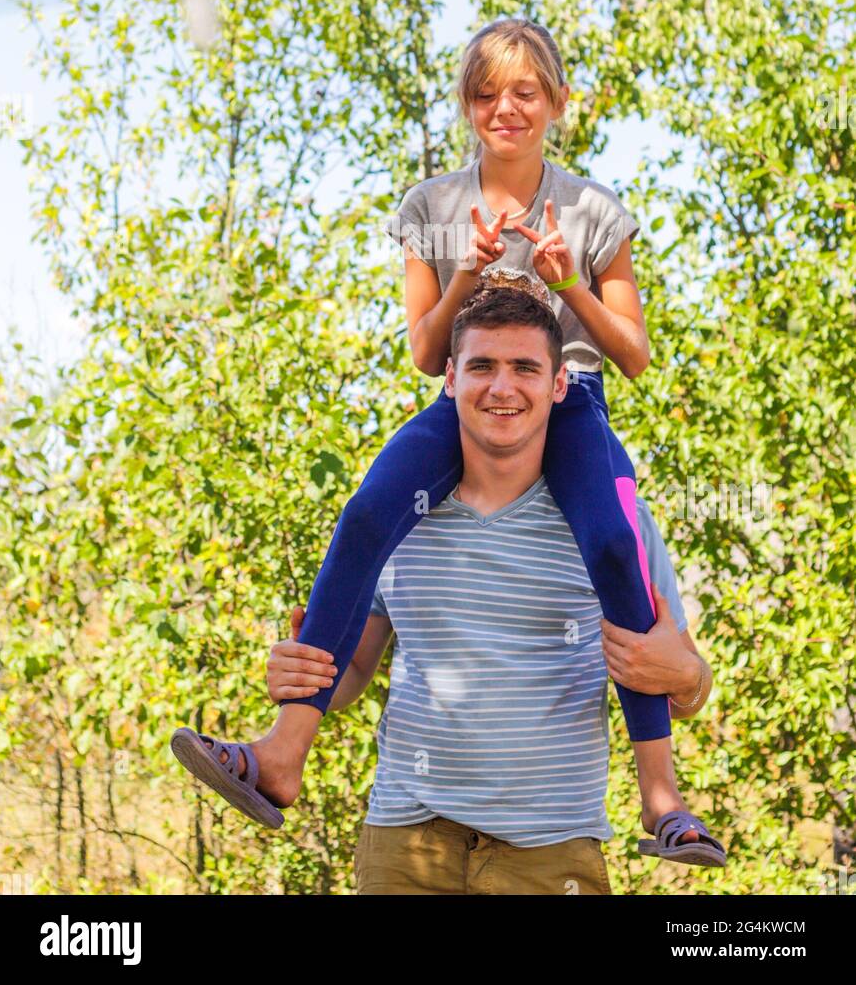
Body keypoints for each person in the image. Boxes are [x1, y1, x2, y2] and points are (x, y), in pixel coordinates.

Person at [171, 17, 724, 866]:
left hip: (568, 401)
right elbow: (429, 352)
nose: (506, 108)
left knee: (615, 543)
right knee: (365, 515)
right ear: (469, 106)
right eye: (486, 93)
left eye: (525, 92)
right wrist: (468, 268)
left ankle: (662, 800)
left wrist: (566, 281)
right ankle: (282, 755)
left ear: (558, 103)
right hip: (463, 399)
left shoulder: (591, 210)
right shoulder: (430, 206)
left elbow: (636, 354)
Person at [268, 280, 725, 893]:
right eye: (482, 366)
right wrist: (303, 672)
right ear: (451, 377)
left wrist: (686, 677)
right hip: (405, 846)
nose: (502, 387)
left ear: (559, 385)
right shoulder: (400, 511)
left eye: (525, 368)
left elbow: (685, 685)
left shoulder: (616, 524)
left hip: (551, 854)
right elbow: (353, 679)